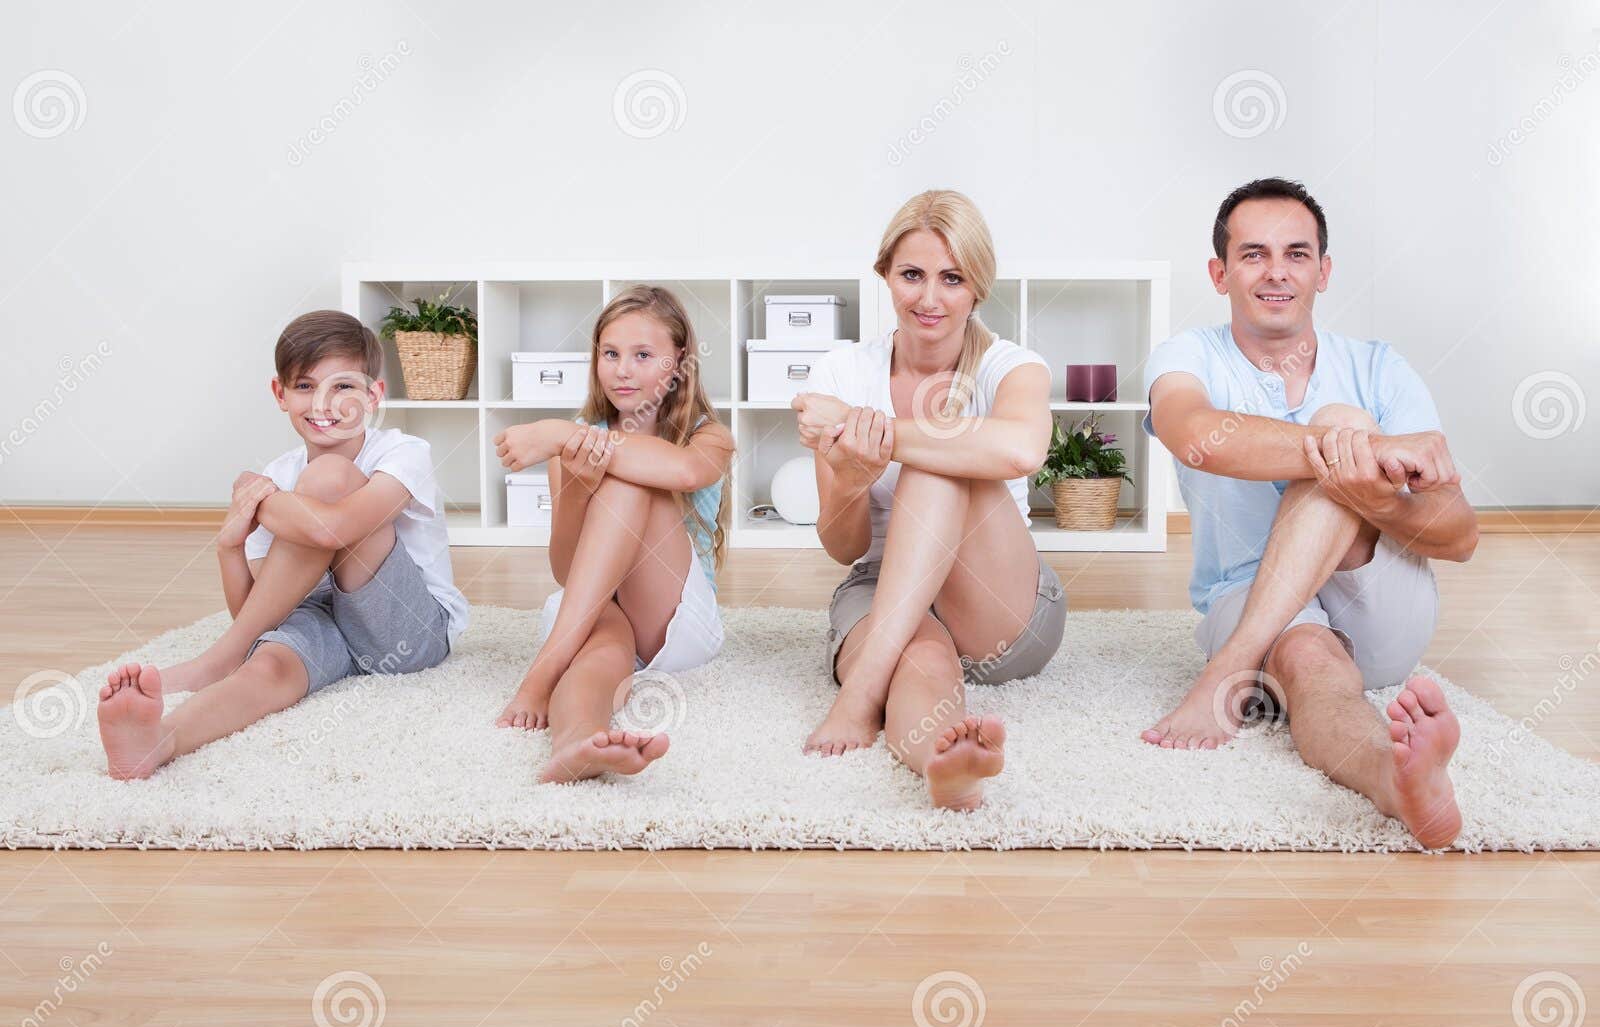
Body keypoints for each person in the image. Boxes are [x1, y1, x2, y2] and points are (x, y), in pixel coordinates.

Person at [1141, 177, 1477, 848]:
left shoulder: (1380, 367)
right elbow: (1194, 436)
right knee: (1311, 664)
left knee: (1340, 423)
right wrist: (1372, 453)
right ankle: (1399, 778)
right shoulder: (1189, 357)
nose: (1276, 272)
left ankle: (1225, 673)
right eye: (1254, 254)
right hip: (1258, 605)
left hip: (1379, 604)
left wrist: (1369, 490)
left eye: (1297, 254)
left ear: (1323, 272)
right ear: (1220, 272)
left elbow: (1460, 533)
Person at [97, 310, 465, 778]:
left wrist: (263, 499)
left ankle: (220, 658)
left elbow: (333, 529)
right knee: (267, 664)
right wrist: (229, 549)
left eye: (344, 387)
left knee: (330, 476)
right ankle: (157, 742)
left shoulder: (402, 452)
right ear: (281, 395)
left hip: (404, 633)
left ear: (374, 395)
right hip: (320, 617)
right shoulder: (279, 474)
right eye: (306, 386)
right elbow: (257, 610)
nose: (324, 404)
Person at [790, 189, 1066, 811]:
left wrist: (881, 440)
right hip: (884, 589)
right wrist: (853, 478)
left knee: (939, 462)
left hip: (997, 603)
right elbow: (843, 547)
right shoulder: (841, 372)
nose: (930, 298)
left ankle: (857, 699)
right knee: (918, 659)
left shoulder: (1011, 366)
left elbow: (1021, 451)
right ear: (885, 274)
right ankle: (942, 761)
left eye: (952, 278)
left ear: (977, 287)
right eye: (912, 275)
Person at [493, 285, 734, 783]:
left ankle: (540, 674)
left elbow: (687, 474)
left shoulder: (708, 436)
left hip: (674, 622)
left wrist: (558, 434)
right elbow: (565, 568)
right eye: (610, 354)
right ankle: (576, 743)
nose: (622, 370)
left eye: (643, 355)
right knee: (599, 655)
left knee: (628, 478)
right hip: (596, 613)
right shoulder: (580, 442)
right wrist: (576, 489)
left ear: (679, 361)